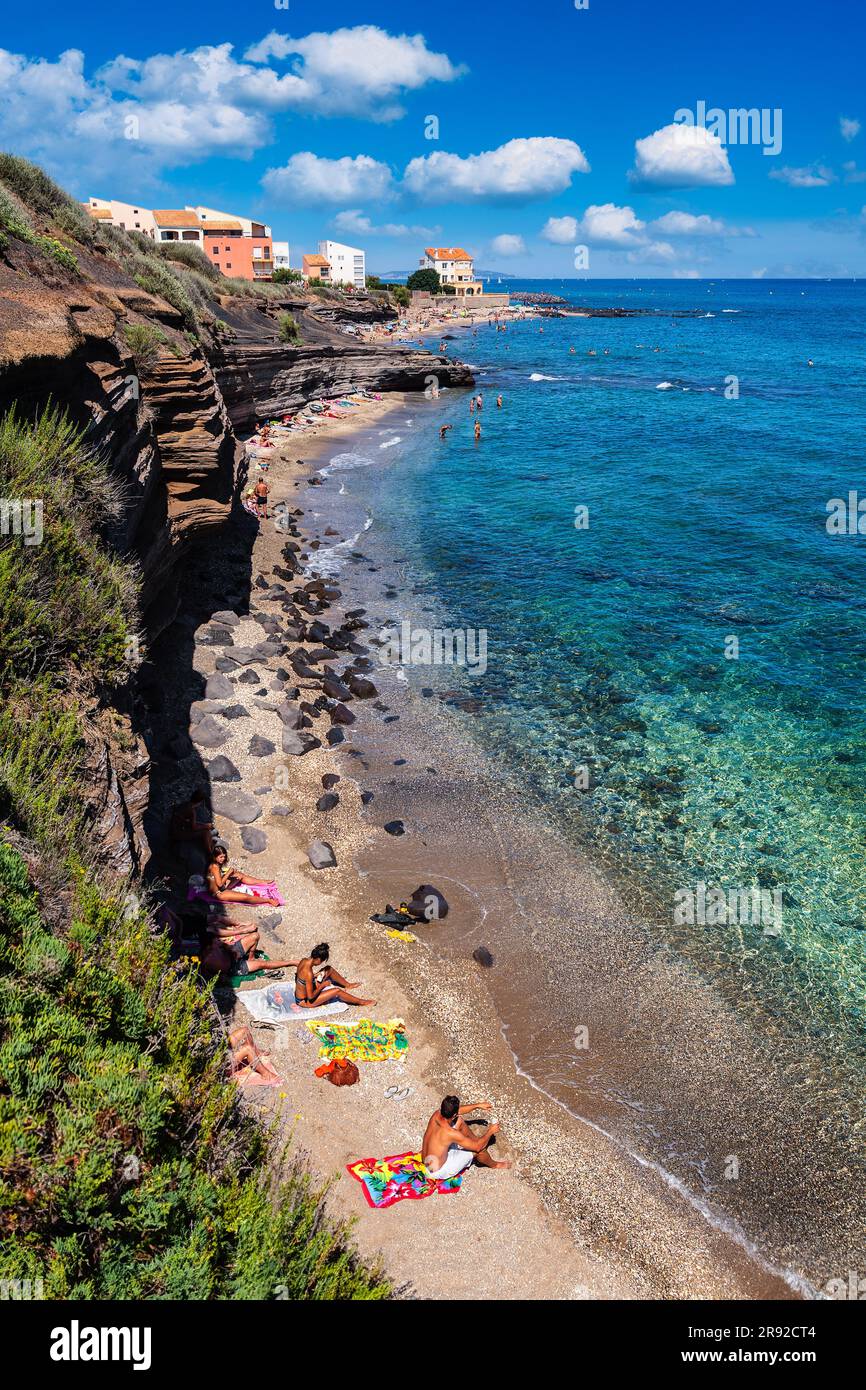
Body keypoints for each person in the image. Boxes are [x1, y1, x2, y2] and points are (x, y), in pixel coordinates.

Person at [421, 1095, 510, 1179]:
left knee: (459, 1121)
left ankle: (475, 1140)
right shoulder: (450, 1133)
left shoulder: (436, 1114)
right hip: (436, 1171)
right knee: (479, 1150)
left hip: (426, 1161)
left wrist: (477, 1106)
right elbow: (478, 1148)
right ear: (454, 1115)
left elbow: (457, 1112)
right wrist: (490, 1131)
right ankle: (495, 1165)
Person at [294, 942, 375, 1008]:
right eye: (322, 961)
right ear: (318, 959)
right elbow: (310, 997)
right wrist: (323, 985)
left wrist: (314, 977)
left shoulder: (303, 961)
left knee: (329, 969)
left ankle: (347, 985)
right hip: (305, 1001)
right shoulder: (308, 973)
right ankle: (361, 1002)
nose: (320, 963)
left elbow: (301, 977)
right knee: (337, 991)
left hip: (303, 994)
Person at [206, 845, 282, 906]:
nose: (223, 859)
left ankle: (262, 881)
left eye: (224, 856)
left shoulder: (216, 864)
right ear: (215, 857)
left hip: (221, 888)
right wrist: (228, 873)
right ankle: (268, 900)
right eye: (221, 857)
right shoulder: (215, 867)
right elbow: (219, 884)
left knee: (239, 875)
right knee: (245, 897)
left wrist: (229, 873)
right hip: (219, 893)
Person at [171, 788, 214, 857]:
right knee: (205, 832)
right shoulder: (191, 810)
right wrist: (206, 826)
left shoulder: (185, 804)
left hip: (177, 828)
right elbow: (194, 827)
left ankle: (212, 848)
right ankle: (210, 853)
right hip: (178, 833)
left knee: (205, 827)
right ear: (200, 802)